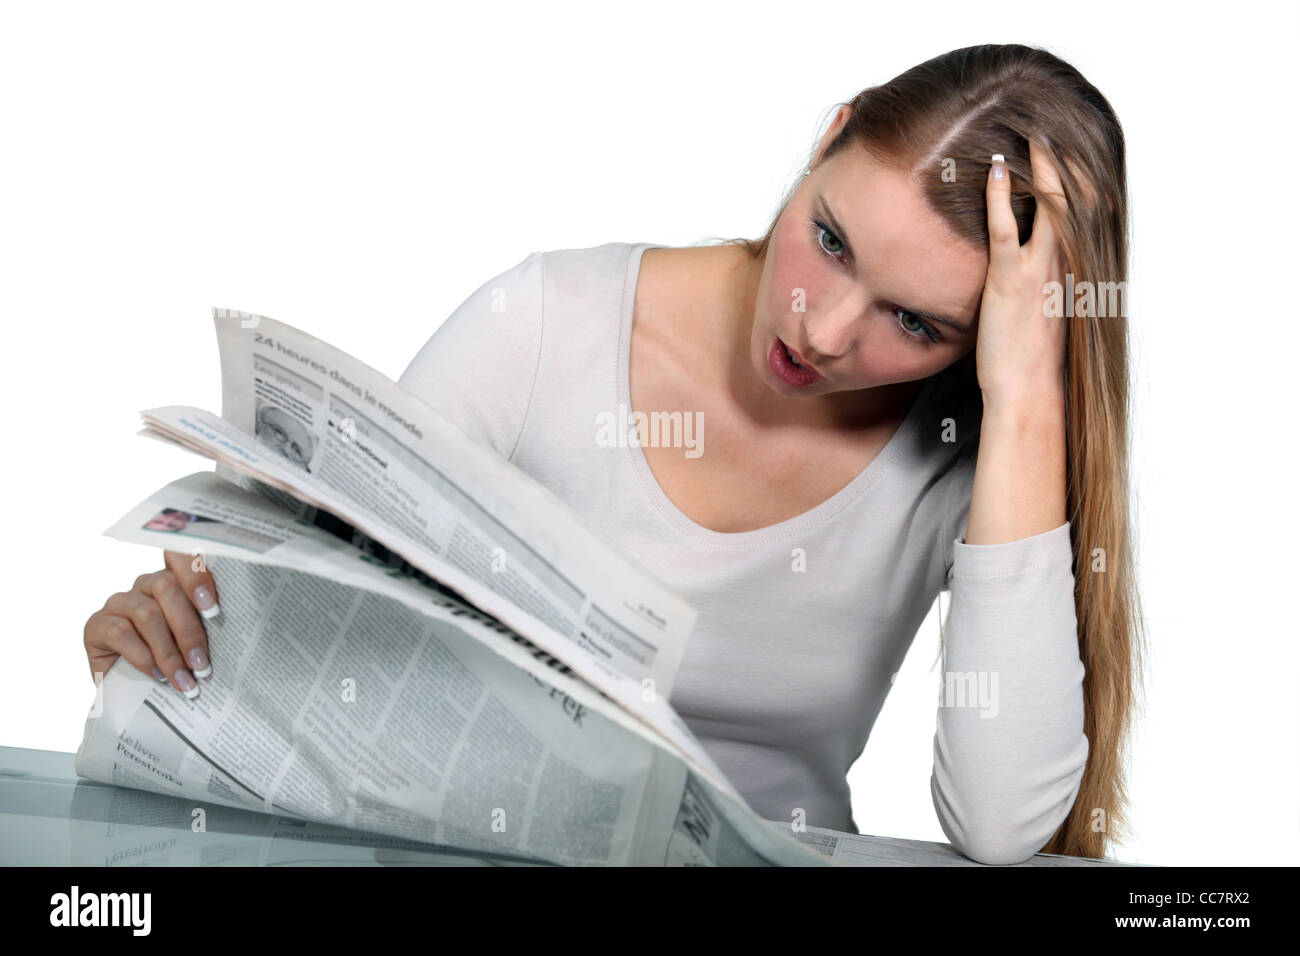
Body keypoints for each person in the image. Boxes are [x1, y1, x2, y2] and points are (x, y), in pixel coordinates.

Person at [82, 43, 1146, 865]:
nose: (823, 331)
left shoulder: (969, 450)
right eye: (828, 239)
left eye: (915, 322)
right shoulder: (543, 324)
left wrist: (1022, 400)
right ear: (829, 136)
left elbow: (1005, 826)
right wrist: (174, 647)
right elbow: (328, 653)